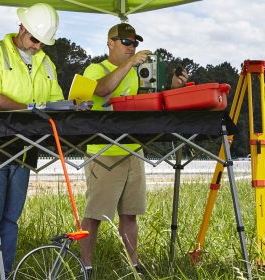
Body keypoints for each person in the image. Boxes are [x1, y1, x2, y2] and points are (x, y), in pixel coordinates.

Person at [80, 23, 188, 276]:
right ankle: (85, 266)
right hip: (103, 152)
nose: (132, 47)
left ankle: (133, 266)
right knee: (95, 214)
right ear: (110, 43)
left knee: (130, 214)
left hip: (133, 150)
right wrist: (129, 64)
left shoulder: (137, 74)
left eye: (135, 43)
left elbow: (149, 104)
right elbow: (101, 89)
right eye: (127, 42)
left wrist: (173, 88)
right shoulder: (96, 68)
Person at [0, 3, 63, 279]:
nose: (37, 47)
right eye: (34, 39)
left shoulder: (47, 63)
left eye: (43, 42)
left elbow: (55, 101)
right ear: (21, 28)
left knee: (10, 220)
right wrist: (30, 107)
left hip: (25, 152)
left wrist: (71, 105)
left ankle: (4, 273)